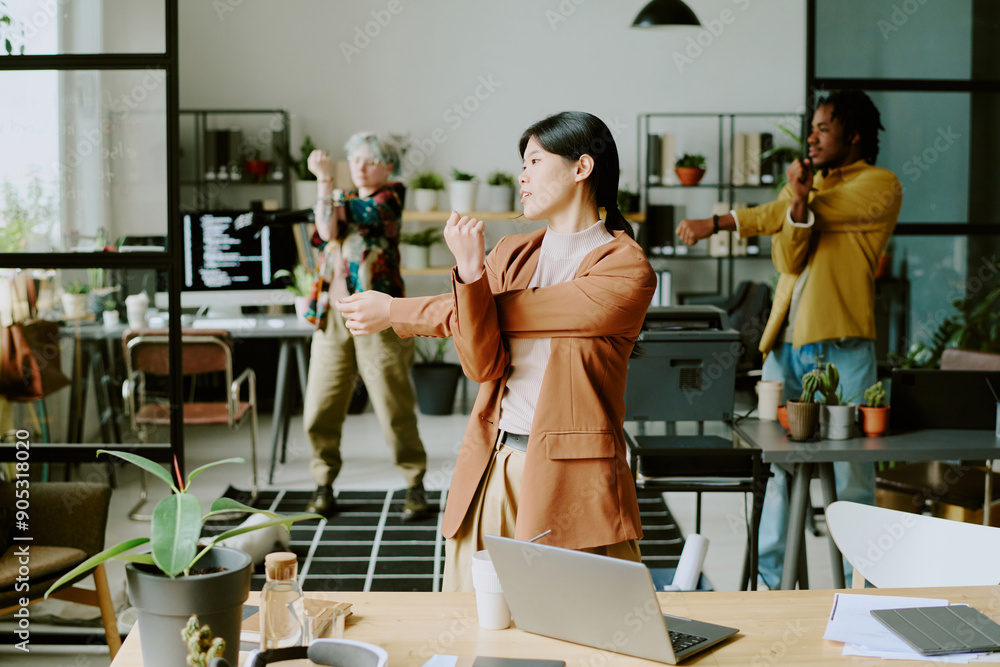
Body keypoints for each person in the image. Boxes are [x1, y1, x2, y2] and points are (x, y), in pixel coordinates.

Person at [335, 111, 657, 591]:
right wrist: (469, 271)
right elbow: (482, 363)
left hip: (576, 479)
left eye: (533, 160)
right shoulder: (510, 253)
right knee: (478, 628)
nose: (521, 176)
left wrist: (399, 310)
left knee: (578, 629)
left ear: (581, 167)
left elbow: (515, 314)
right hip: (496, 462)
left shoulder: (625, 267)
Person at [675, 90, 902, 588]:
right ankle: (772, 589)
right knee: (774, 472)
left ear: (854, 135)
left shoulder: (879, 185)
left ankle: (863, 591)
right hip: (786, 348)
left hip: (844, 348)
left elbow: (792, 212)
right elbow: (788, 260)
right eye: (812, 128)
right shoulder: (805, 190)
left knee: (852, 475)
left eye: (823, 128)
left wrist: (720, 221)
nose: (812, 137)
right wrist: (795, 202)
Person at [301, 132, 429, 522]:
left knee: (394, 405)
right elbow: (324, 232)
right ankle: (323, 484)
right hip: (330, 316)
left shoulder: (390, 197)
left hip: (378, 317)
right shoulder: (338, 199)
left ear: (387, 166)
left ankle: (414, 485)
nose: (360, 166)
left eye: (370, 161)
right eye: (354, 159)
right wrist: (325, 184)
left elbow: (364, 217)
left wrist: (328, 188)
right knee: (320, 406)